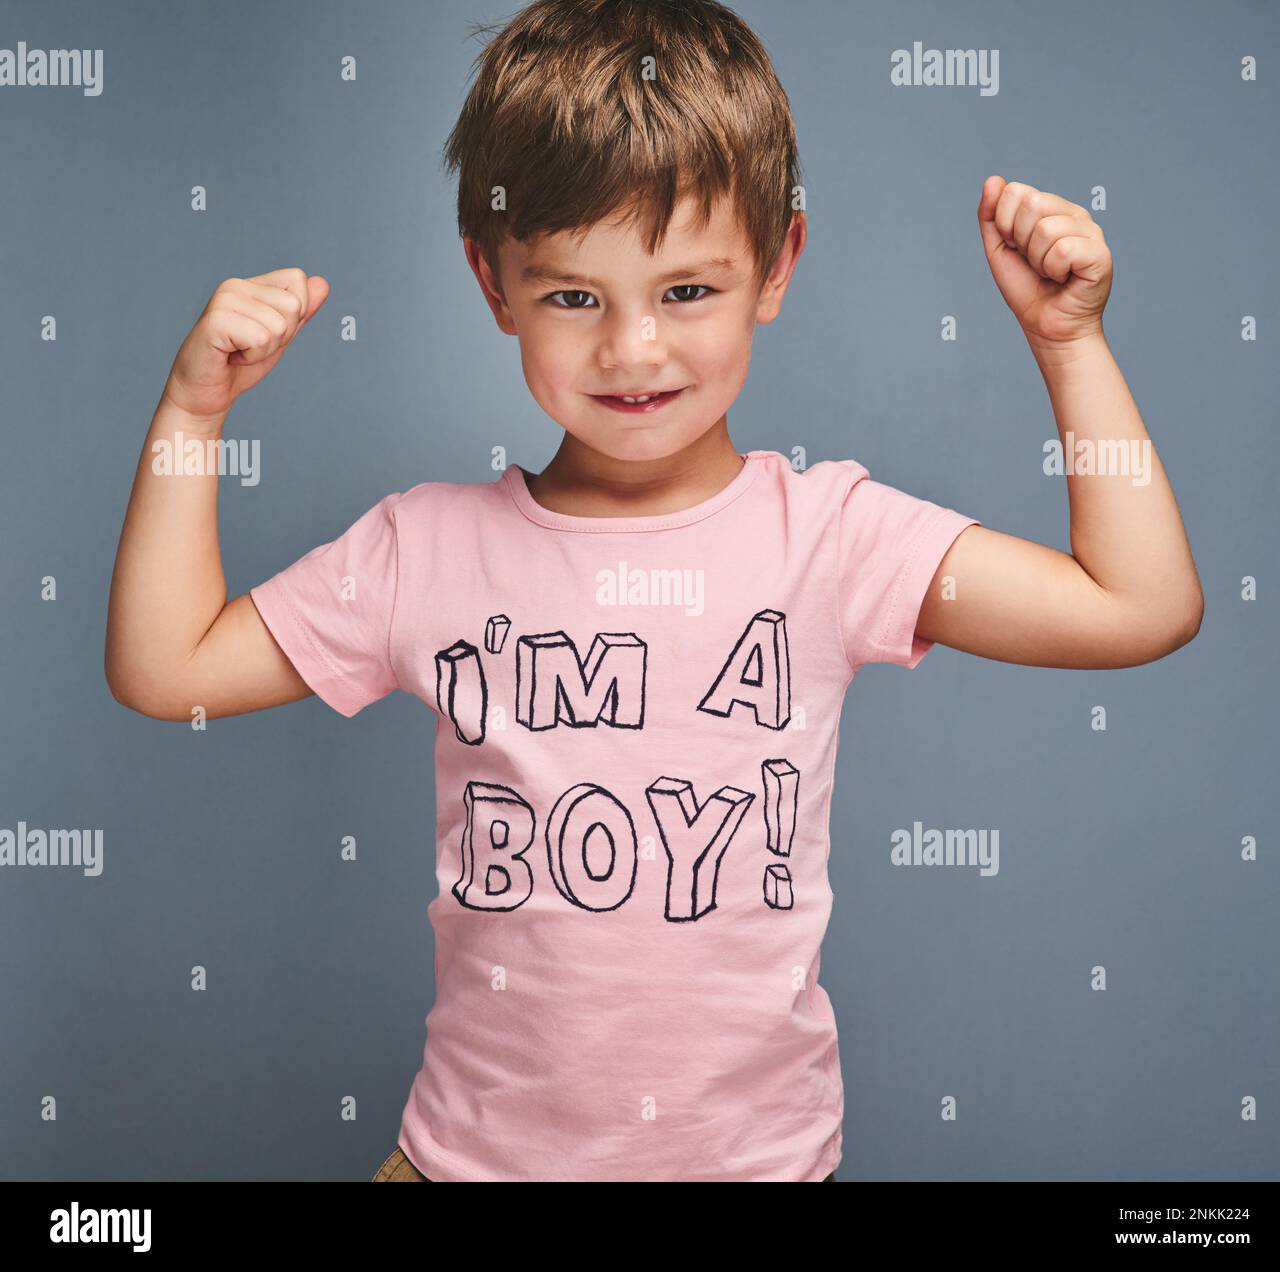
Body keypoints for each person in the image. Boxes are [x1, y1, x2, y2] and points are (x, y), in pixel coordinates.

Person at [104, 0, 1203, 1183]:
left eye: (686, 291)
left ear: (776, 265)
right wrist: (192, 418)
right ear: (493, 284)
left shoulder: (830, 538)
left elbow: (1135, 605)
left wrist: (1069, 345)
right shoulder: (422, 552)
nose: (633, 351)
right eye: (575, 295)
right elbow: (167, 669)